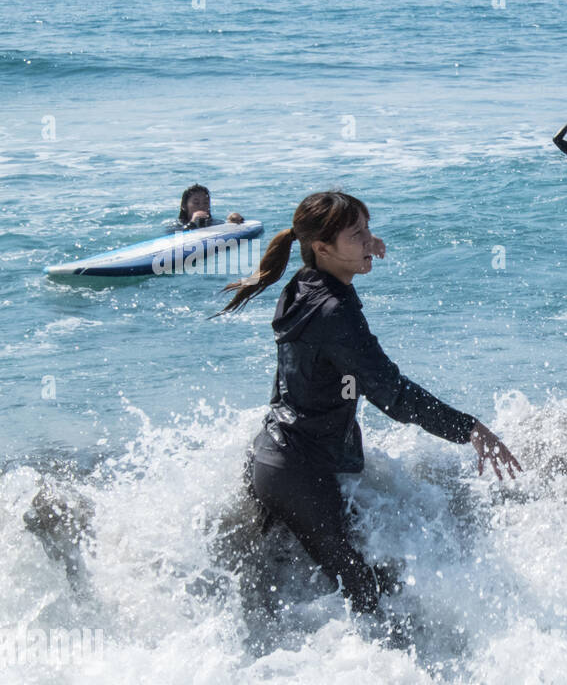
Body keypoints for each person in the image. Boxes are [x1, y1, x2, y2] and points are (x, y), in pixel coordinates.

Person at [215, 191, 521, 615]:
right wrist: (468, 428)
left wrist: (361, 245)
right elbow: (393, 394)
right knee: (366, 596)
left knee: (295, 586)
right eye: (356, 234)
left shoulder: (303, 285)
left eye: (368, 229)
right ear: (323, 248)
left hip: (273, 458)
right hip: (300, 473)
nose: (369, 240)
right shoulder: (333, 313)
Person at [165, 184, 244, 232]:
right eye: (196, 203)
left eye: (206, 203)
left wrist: (234, 221)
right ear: (184, 206)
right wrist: (192, 223)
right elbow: (176, 238)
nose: (202, 206)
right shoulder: (176, 225)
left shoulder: (213, 223)